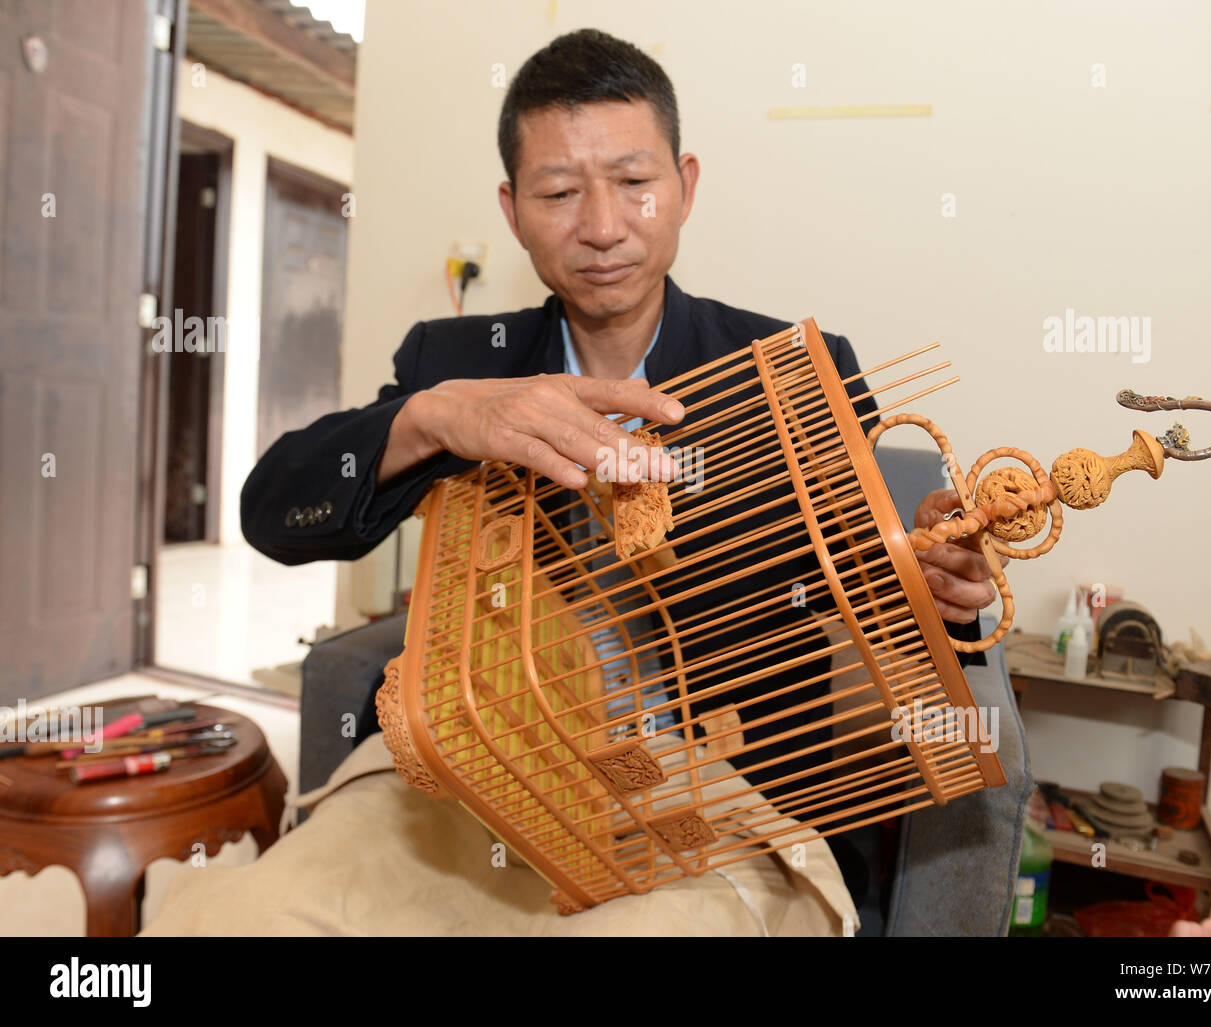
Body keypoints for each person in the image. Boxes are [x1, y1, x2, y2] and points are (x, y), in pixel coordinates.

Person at [238, 28, 1011, 934]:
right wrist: (435, 415)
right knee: (255, 915)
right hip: (487, 776)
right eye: (560, 192)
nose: (601, 226)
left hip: (710, 794)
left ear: (685, 186)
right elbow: (272, 513)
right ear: (514, 208)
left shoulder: (793, 373)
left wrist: (944, 592)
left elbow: (884, 617)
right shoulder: (458, 364)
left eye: (635, 184)